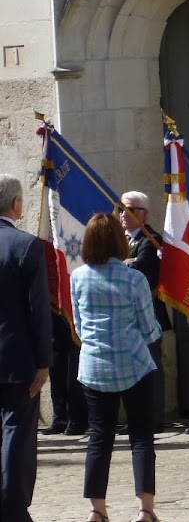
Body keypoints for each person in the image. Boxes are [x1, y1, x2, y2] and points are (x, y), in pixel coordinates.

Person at [72, 213, 161, 522]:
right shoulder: (134, 278)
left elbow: (80, 328)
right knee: (141, 437)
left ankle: (97, 510)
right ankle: (145, 509)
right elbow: (150, 329)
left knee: (99, 437)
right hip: (134, 364)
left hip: (94, 367)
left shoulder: (78, 277)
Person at [0, 174, 52, 522]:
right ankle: (13, 508)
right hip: (17, 359)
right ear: (16, 204)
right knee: (17, 436)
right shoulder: (26, 245)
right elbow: (38, 310)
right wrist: (44, 361)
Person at [120, 191, 169, 433]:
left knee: (151, 366)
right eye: (121, 209)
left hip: (148, 315)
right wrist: (126, 263)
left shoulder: (151, 239)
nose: (124, 215)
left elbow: (143, 269)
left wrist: (126, 263)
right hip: (125, 316)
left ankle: (154, 418)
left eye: (131, 210)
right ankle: (135, 419)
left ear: (144, 214)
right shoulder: (119, 240)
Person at [44, 310, 88, 436]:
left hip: (73, 310)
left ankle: (77, 419)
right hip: (53, 306)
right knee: (56, 358)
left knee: (74, 364)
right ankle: (59, 419)